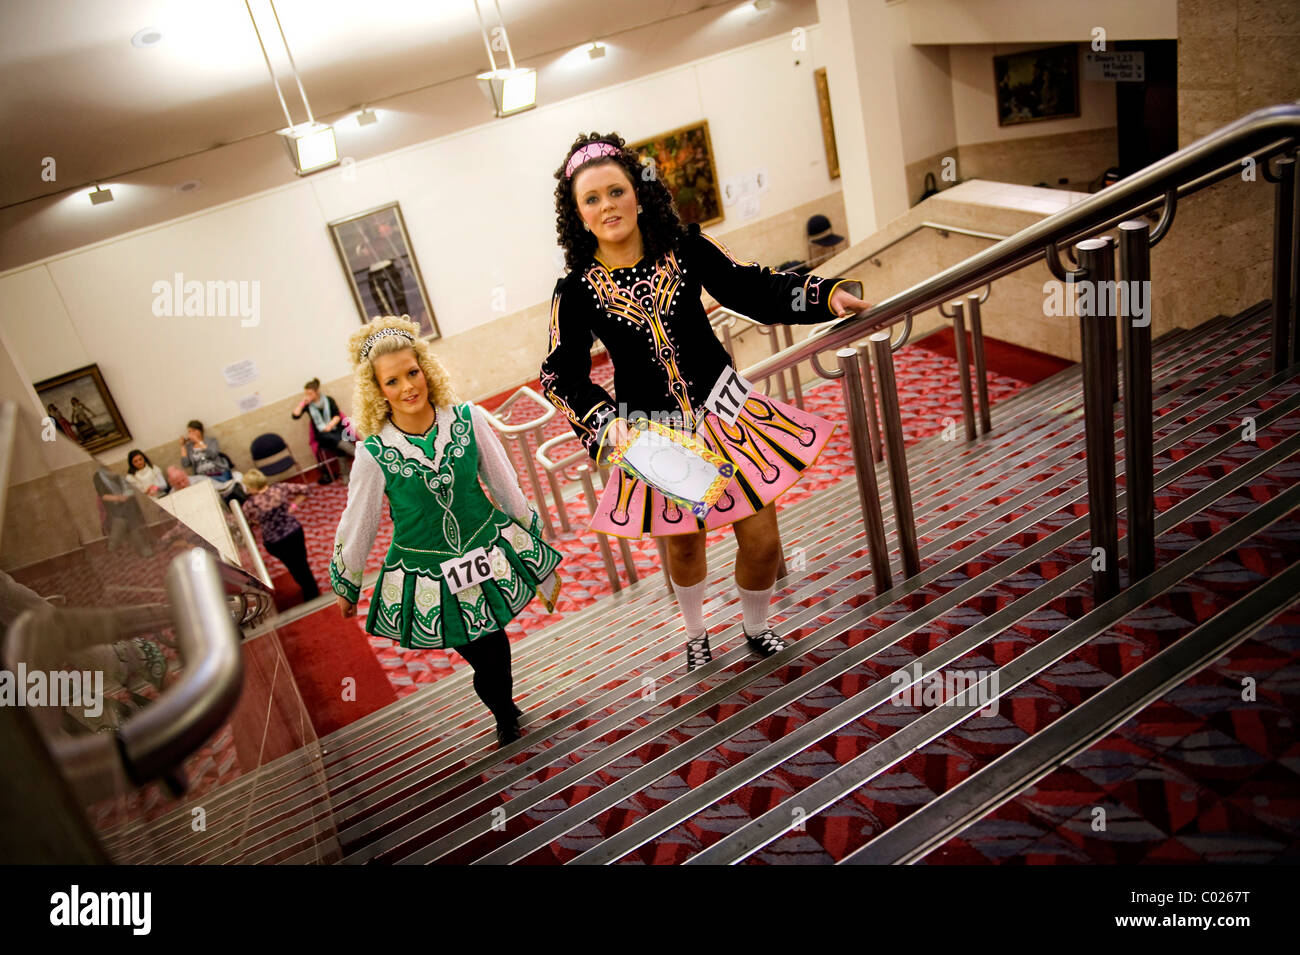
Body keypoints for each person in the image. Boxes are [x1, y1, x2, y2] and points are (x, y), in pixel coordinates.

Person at [541, 132, 870, 672]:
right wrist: (602, 419)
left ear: (638, 193)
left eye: (616, 191)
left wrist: (824, 294)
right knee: (687, 547)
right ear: (577, 215)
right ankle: (696, 634)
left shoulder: (688, 248)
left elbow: (751, 287)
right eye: (592, 199)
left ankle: (755, 626)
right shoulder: (574, 291)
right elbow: (559, 374)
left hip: (728, 415)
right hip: (655, 434)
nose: (608, 206)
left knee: (763, 541)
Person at [331, 316, 562, 746]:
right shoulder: (373, 452)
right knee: (484, 654)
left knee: (494, 643)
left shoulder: (467, 420)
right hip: (428, 575)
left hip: (486, 551)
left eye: (412, 373)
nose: (407, 388)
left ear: (426, 369)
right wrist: (348, 581)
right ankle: (502, 707)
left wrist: (530, 534)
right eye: (392, 381)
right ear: (377, 390)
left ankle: (504, 712)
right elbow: (359, 518)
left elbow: (503, 482)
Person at [241, 468, 320, 601]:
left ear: (253, 487)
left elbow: (249, 521)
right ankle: (312, 589)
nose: (246, 490)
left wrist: (262, 521)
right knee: (302, 562)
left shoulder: (249, 505)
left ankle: (309, 591)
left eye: (247, 487)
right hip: (294, 532)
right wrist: (292, 507)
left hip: (275, 542)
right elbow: (305, 489)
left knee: (293, 566)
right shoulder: (279, 488)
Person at [292, 378, 354, 483]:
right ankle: (359, 454)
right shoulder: (308, 405)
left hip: (334, 428)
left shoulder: (328, 400)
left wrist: (329, 426)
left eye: (310, 393)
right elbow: (295, 415)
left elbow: (337, 416)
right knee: (336, 439)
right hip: (322, 434)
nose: (308, 396)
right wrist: (302, 403)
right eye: (306, 394)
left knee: (338, 442)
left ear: (317, 392)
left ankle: (345, 476)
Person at [92, 461, 155, 557]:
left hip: (129, 503)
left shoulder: (118, 469)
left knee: (126, 521)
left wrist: (126, 496)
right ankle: (143, 548)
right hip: (113, 506)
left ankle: (113, 544)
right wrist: (119, 498)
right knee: (127, 522)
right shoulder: (98, 476)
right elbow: (103, 496)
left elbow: (130, 486)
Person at [179, 420, 248, 505]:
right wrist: (182, 446)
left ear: (200, 431)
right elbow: (185, 463)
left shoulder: (211, 441)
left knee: (229, 492)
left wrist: (198, 442)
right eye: (189, 432)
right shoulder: (189, 447)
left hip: (219, 473)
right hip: (204, 478)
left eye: (193, 431)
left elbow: (213, 454)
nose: (190, 434)